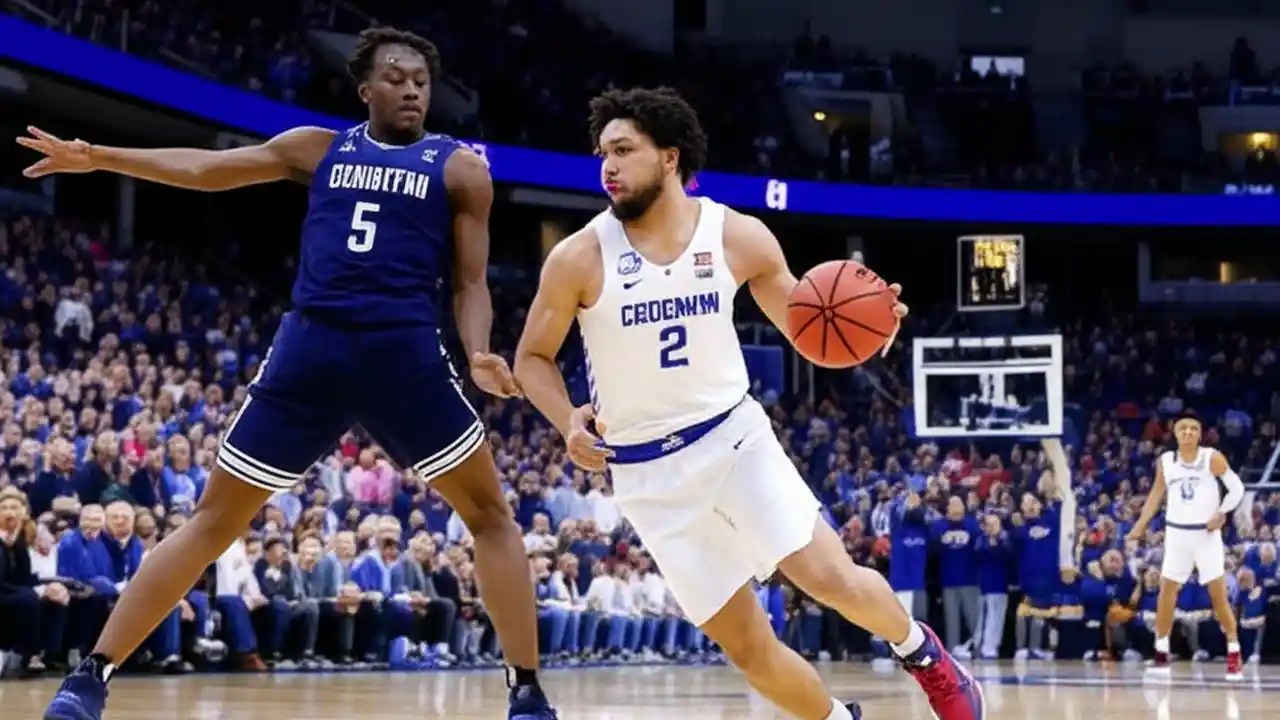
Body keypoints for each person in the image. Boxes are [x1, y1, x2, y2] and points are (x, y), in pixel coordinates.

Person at [19, 26, 555, 720]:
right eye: (396, 77)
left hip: (404, 353)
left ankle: (526, 691)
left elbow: (471, 283)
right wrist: (99, 157)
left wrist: (479, 351)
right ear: (364, 89)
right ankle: (89, 678)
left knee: (491, 515)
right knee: (213, 520)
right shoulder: (318, 147)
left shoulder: (459, 169)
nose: (412, 90)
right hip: (313, 348)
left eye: (422, 81)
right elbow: (207, 170)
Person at [513, 86, 983, 720]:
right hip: (646, 475)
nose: (608, 168)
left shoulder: (736, 235)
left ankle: (926, 657)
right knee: (751, 651)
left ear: (670, 157)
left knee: (830, 578)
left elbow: (810, 331)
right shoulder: (578, 256)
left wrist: (871, 328)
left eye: (623, 151)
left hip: (732, 440)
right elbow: (531, 359)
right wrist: (566, 419)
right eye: (603, 154)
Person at [1127, 410, 1245, 681]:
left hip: (1205, 536)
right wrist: (1141, 524)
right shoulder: (1167, 461)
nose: (1189, 432)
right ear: (1175, 432)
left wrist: (1222, 512)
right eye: (1184, 428)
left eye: (1194, 428)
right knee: (1167, 592)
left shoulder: (1211, 457)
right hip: (1177, 534)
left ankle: (1234, 651)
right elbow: (1155, 496)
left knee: (1218, 595)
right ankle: (1161, 652)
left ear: (1200, 434)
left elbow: (1237, 488)